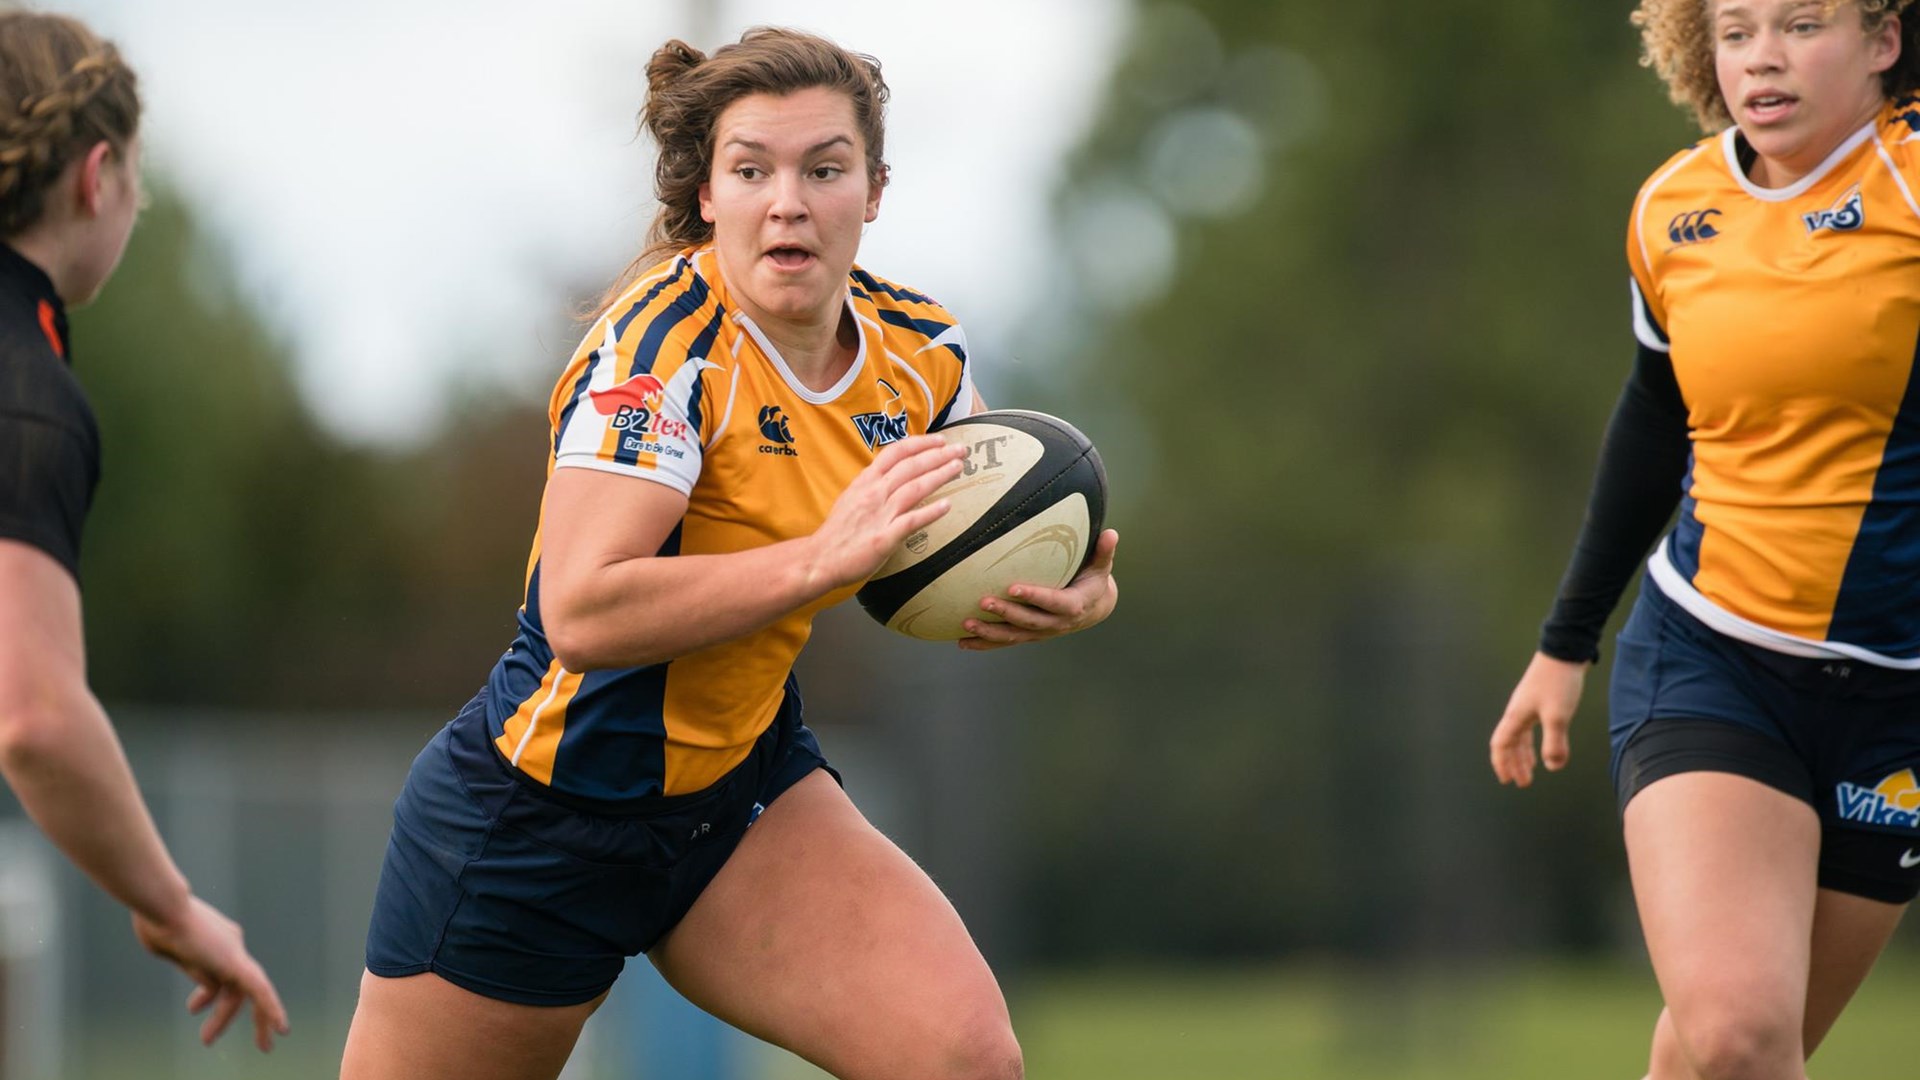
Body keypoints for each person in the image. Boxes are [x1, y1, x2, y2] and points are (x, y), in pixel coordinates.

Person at [341, 27, 1119, 1080]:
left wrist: (1061, 590)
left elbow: (955, 543)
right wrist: (820, 559)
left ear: (875, 190)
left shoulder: (921, 352)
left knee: (967, 1060)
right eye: (751, 169)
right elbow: (583, 611)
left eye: (824, 169)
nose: (786, 200)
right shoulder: (659, 354)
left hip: (739, 807)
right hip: (536, 826)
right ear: (708, 195)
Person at [1489, 1, 1920, 1077]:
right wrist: (1565, 641)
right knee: (1740, 1034)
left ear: (1886, 40)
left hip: (1897, 704)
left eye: (1802, 22)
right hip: (1712, 660)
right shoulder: (1672, 206)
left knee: (1704, 1057)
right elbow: (1649, 424)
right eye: (1735, 31)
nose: (1763, 56)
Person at [0, 9, 288, 1054]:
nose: (138, 201)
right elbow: (32, 714)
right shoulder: (27, 397)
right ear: (95, 175)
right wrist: (170, 902)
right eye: (136, 179)